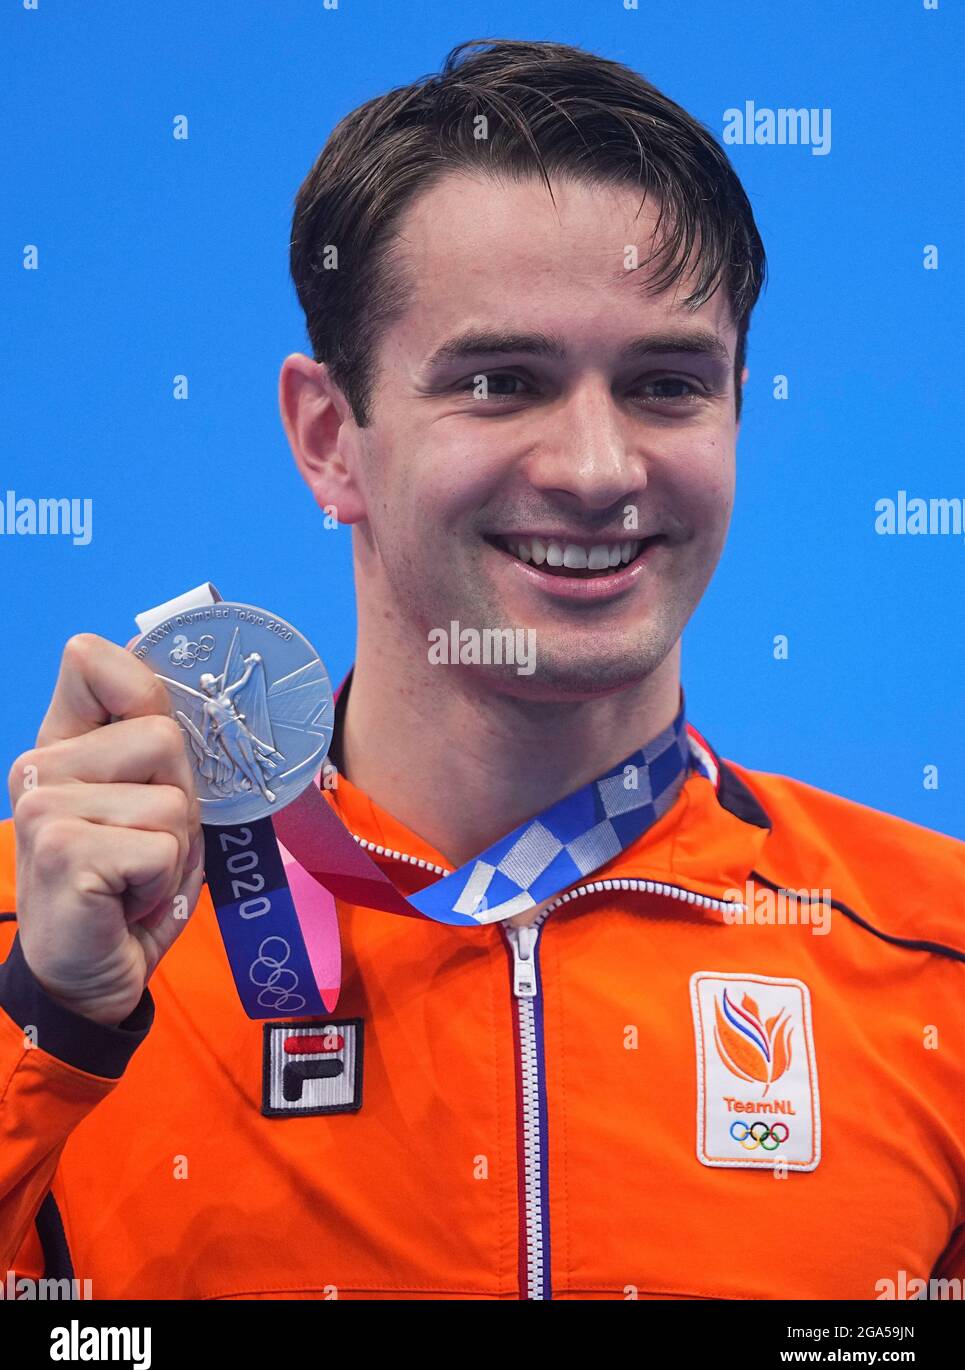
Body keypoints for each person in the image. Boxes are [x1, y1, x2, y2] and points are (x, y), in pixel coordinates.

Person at [1, 38, 962, 1303]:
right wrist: (51, 1025)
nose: (598, 467)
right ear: (329, 436)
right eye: (501, 381)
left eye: (666, 385)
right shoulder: (57, 946)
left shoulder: (932, 952)